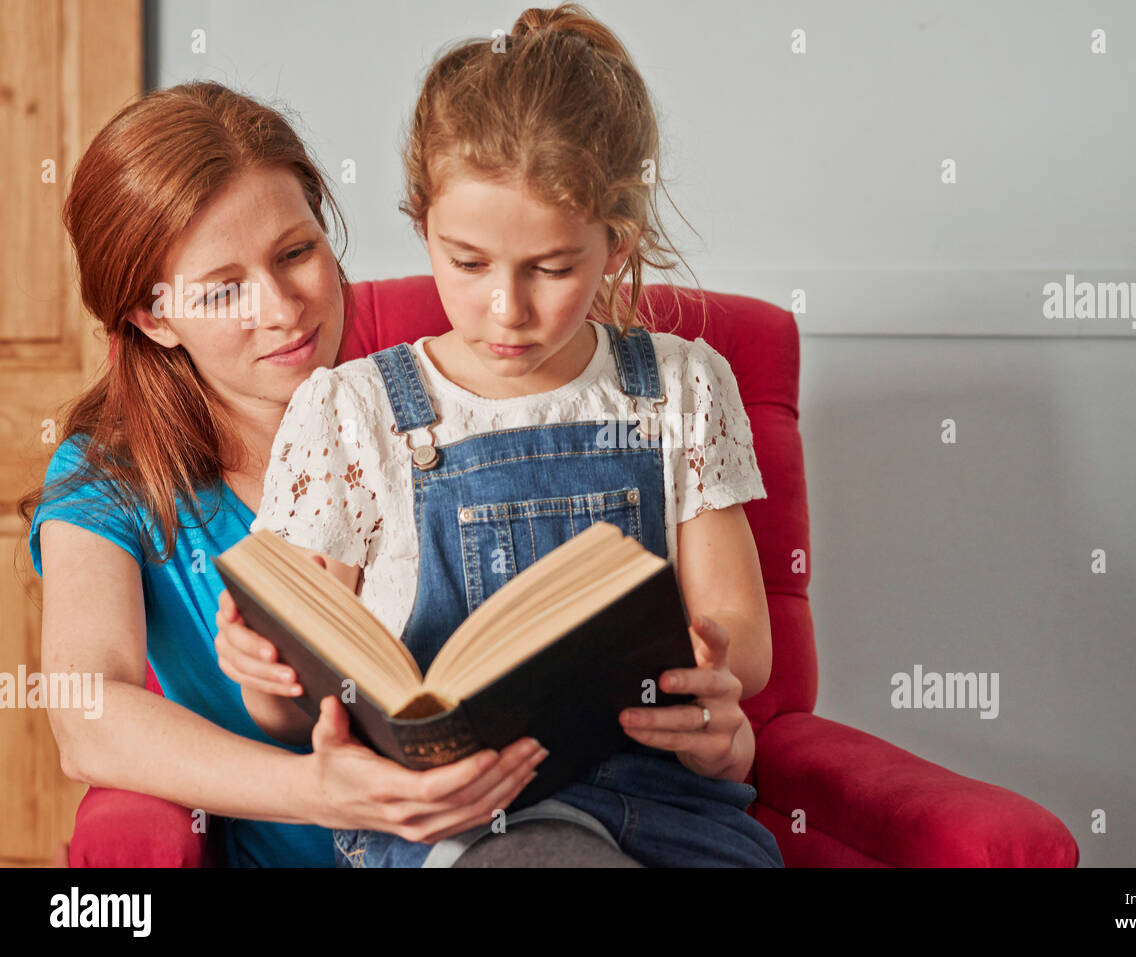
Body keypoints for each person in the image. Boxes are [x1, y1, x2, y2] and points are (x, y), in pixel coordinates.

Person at [215, 3, 784, 868]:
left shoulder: (679, 385)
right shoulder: (351, 411)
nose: (505, 309)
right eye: (468, 262)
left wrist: (712, 685)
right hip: (457, 822)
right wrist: (267, 676)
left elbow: (739, 630)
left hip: (664, 801)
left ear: (615, 245)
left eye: (553, 268)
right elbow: (298, 705)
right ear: (421, 224)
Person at [21, 81, 542, 867]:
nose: (283, 307)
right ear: (153, 316)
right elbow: (87, 715)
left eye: (296, 252)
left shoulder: (438, 401)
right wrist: (324, 792)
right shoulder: (108, 475)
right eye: (224, 288)